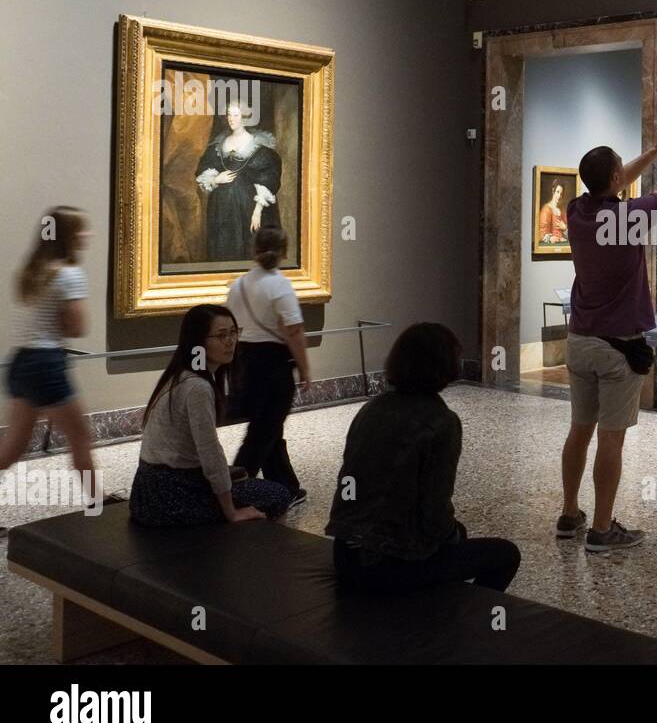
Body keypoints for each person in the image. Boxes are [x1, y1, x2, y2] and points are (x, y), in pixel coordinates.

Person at [559, 113, 657, 552]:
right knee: (610, 439)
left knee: (580, 429)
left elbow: (610, 184)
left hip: (579, 341)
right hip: (619, 347)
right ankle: (600, 529)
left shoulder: (576, 211)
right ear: (616, 177)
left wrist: (651, 149)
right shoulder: (630, 216)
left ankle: (569, 513)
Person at [327, 323, 520, 593]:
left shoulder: (371, 409)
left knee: (458, 535)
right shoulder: (441, 422)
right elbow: (435, 510)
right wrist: (449, 537)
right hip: (386, 563)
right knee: (505, 555)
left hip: (346, 554)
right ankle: (460, 621)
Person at [129, 305, 291, 526]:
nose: (230, 341)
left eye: (234, 332)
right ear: (198, 342)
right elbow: (210, 454)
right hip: (169, 496)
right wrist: (231, 512)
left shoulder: (181, 375)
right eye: (221, 335)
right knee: (278, 494)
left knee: (245, 481)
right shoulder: (197, 387)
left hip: (148, 490)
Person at [1, 207, 103, 531]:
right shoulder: (69, 274)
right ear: (69, 236)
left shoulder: (34, 271)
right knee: (80, 437)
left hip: (20, 362)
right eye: (81, 231)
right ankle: (98, 504)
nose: (86, 236)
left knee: (13, 447)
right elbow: (77, 326)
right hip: (46, 364)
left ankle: (97, 501)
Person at [225, 224, 311, 507]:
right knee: (263, 432)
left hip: (243, 360)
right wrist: (305, 368)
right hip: (273, 364)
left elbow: (232, 327)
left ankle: (286, 486)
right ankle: (233, 489)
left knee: (269, 426)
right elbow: (294, 331)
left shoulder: (238, 285)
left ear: (253, 249)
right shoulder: (280, 285)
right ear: (284, 251)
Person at [196, 103, 283, 263]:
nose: (231, 119)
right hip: (221, 208)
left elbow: (268, 179)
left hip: (247, 207)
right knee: (223, 248)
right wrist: (216, 179)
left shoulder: (261, 150)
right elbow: (202, 171)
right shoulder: (217, 146)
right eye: (229, 114)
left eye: (235, 115)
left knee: (246, 248)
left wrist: (257, 211)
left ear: (245, 118)